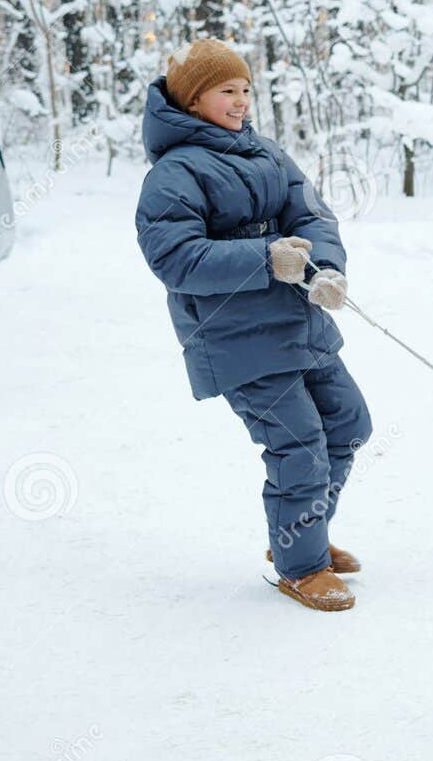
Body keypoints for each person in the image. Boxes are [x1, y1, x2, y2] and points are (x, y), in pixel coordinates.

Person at [135, 39, 372, 612]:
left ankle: (298, 535)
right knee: (300, 448)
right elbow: (177, 258)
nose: (242, 101)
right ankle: (301, 566)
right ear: (194, 101)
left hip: (298, 321)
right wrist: (267, 259)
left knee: (349, 425)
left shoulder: (265, 151)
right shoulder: (174, 173)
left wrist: (326, 268)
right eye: (227, 91)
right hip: (237, 338)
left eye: (245, 90)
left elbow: (310, 214)